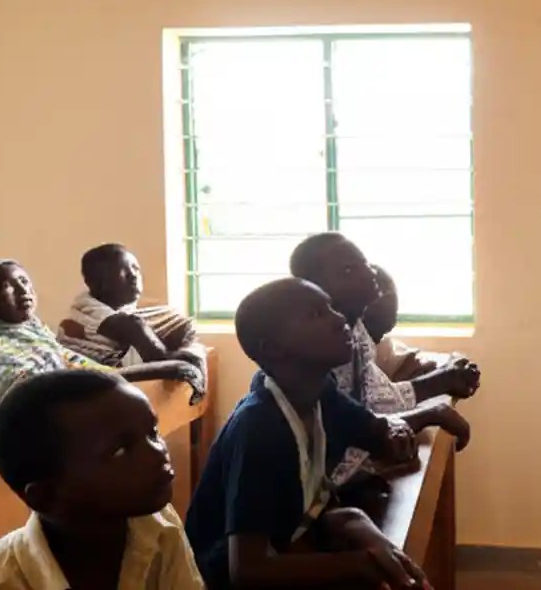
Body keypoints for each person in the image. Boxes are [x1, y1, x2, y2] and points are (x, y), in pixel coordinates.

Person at [185, 277, 430, 590]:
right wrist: (357, 564)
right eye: (317, 314)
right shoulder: (259, 427)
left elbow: (373, 434)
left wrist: (368, 534)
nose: (339, 319)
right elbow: (247, 570)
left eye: (330, 307)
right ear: (274, 350)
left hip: (287, 541)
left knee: (373, 542)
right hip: (214, 578)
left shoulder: (318, 393)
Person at [0, 370, 204, 589]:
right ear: (46, 496)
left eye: (153, 433)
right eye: (119, 450)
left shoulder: (158, 527)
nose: (157, 452)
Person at [0, 258, 205, 401]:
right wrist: (162, 368)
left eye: (24, 281)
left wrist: (164, 368)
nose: (23, 291)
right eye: (6, 286)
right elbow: (42, 389)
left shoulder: (34, 334)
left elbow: (88, 371)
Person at [289, 234, 479, 413]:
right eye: (348, 270)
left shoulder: (355, 331)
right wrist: (438, 393)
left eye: (365, 264)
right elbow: (361, 416)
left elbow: (377, 396)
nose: (368, 273)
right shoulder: (316, 347)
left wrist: (446, 377)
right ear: (313, 289)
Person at [57, 244, 205, 372]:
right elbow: (132, 327)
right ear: (97, 282)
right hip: (96, 364)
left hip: (121, 351)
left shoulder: (120, 305)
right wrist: (166, 356)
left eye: (135, 268)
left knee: (177, 319)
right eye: (123, 271)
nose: (133, 276)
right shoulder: (87, 306)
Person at [363, 265, 468, 383]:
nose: (391, 326)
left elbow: (413, 362)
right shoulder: (353, 351)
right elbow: (374, 397)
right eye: (383, 318)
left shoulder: (383, 344)